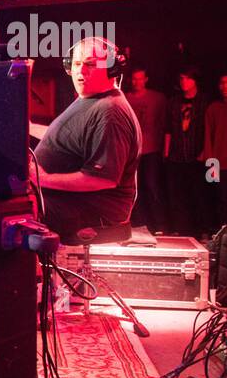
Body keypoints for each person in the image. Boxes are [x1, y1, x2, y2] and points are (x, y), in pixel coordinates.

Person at [31, 37, 141, 243]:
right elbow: (70, 137)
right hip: (69, 204)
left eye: (90, 64)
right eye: (76, 64)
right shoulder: (90, 101)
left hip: (88, 212)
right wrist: (25, 128)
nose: (81, 71)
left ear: (112, 69)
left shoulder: (110, 111)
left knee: (2, 212)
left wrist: (43, 179)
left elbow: (102, 178)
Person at [164, 67, 212, 236]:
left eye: (188, 79)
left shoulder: (205, 102)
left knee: (201, 194)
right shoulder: (174, 102)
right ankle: (182, 229)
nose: (184, 82)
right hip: (177, 156)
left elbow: (210, 128)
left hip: (200, 156)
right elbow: (168, 129)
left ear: (195, 80)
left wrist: (206, 151)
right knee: (178, 196)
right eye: (181, 78)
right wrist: (167, 153)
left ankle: (204, 230)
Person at [124, 66, 167, 231]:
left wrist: (165, 149)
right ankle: (138, 223)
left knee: (152, 187)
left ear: (146, 79)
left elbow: (163, 124)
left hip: (152, 150)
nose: (137, 82)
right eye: (134, 79)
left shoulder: (157, 98)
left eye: (140, 78)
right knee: (134, 189)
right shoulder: (126, 98)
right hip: (132, 152)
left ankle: (159, 224)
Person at [203, 73, 227, 227]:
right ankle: (222, 232)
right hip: (218, 162)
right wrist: (210, 164)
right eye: (222, 82)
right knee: (219, 198)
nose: (225, 86)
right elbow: (208, 137)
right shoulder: (213, 108)